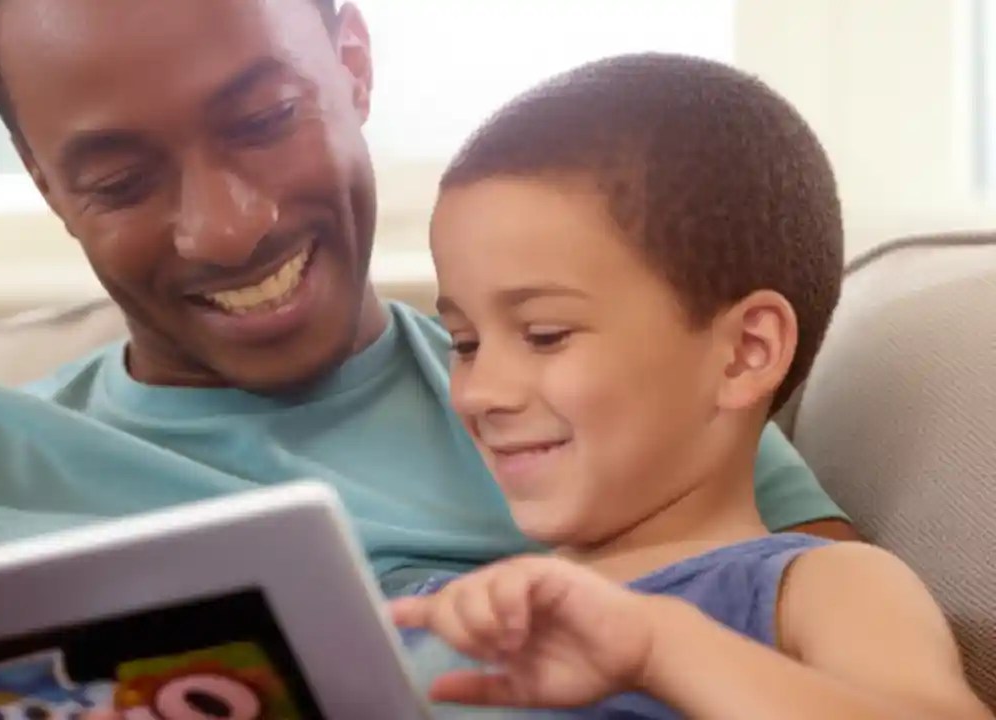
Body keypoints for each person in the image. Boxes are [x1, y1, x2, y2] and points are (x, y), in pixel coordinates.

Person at [0, 2, 855, 718]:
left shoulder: (611, 418)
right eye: (122, 182)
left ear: (353, 61)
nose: (225, 230)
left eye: (267, 115)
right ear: (47, 186)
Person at [387, 54, 989, 718]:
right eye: (466, 344)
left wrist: (658, 647)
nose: (478, 393)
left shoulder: (815, 585)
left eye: (546, 334)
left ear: (742, 354)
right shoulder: (452, 612)